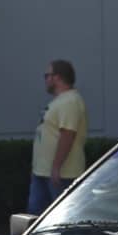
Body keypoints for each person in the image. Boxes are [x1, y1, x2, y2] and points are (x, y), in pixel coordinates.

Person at [29, 59, 88, 214]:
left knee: (60, 217)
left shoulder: (70, 101)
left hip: (61, 174)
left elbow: (68, 135)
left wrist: (56, 167)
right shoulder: (60, 101)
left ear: (57, 77)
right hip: (43, 172)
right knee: (35, 218)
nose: (45, 79)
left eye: (47, 75)